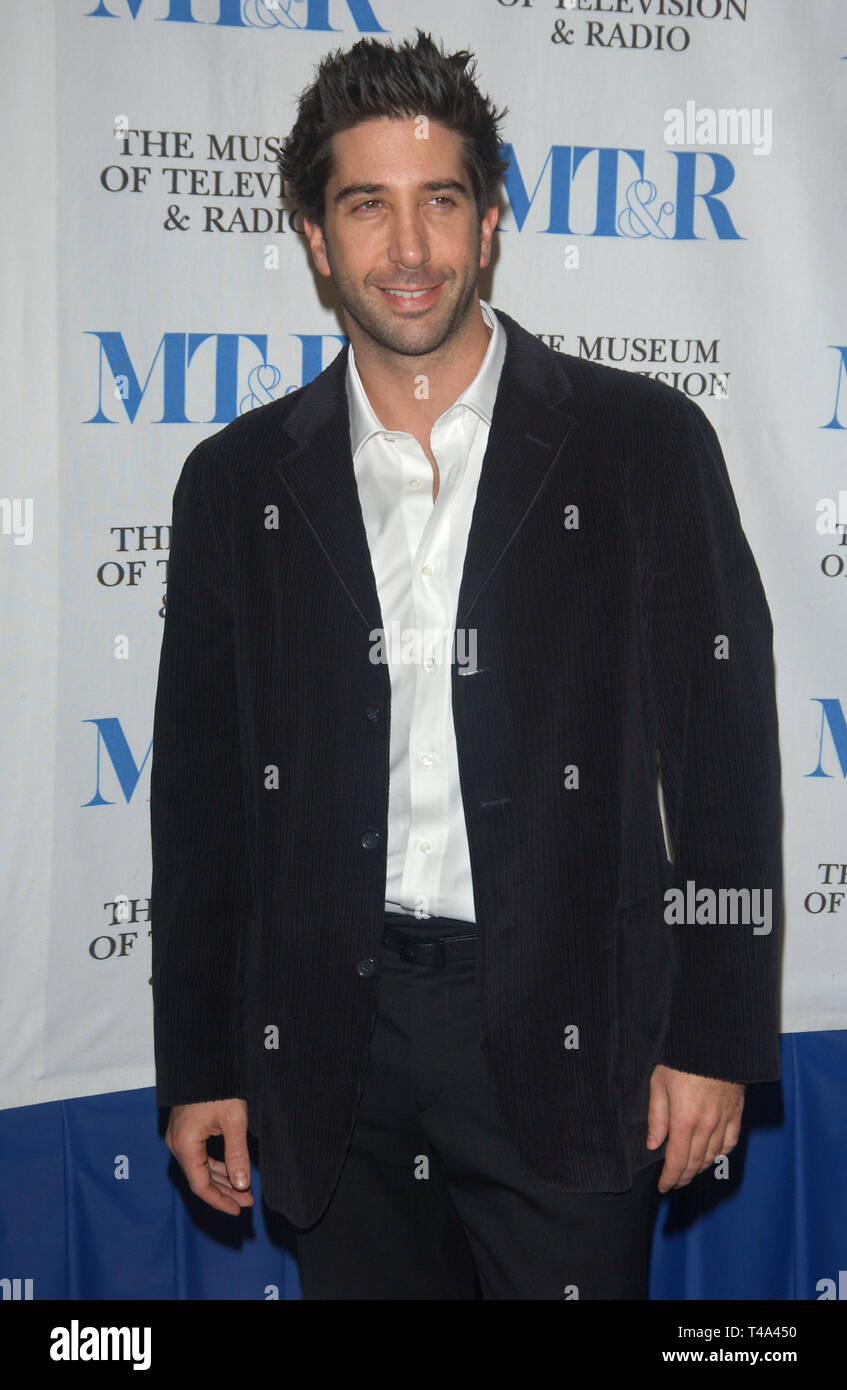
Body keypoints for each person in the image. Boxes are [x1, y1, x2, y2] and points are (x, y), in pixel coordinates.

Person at [150, 29, 782, 1300]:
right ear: (316, 238)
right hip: (335, 1041)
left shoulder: (638, 446)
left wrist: (715, 1036)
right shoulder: (234, 484)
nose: (409, 250)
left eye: (440, 201)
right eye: (366, 207)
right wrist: (203, 1060)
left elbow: (723, 753)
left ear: (490, 221)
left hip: (573, 1030)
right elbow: (205, 796)